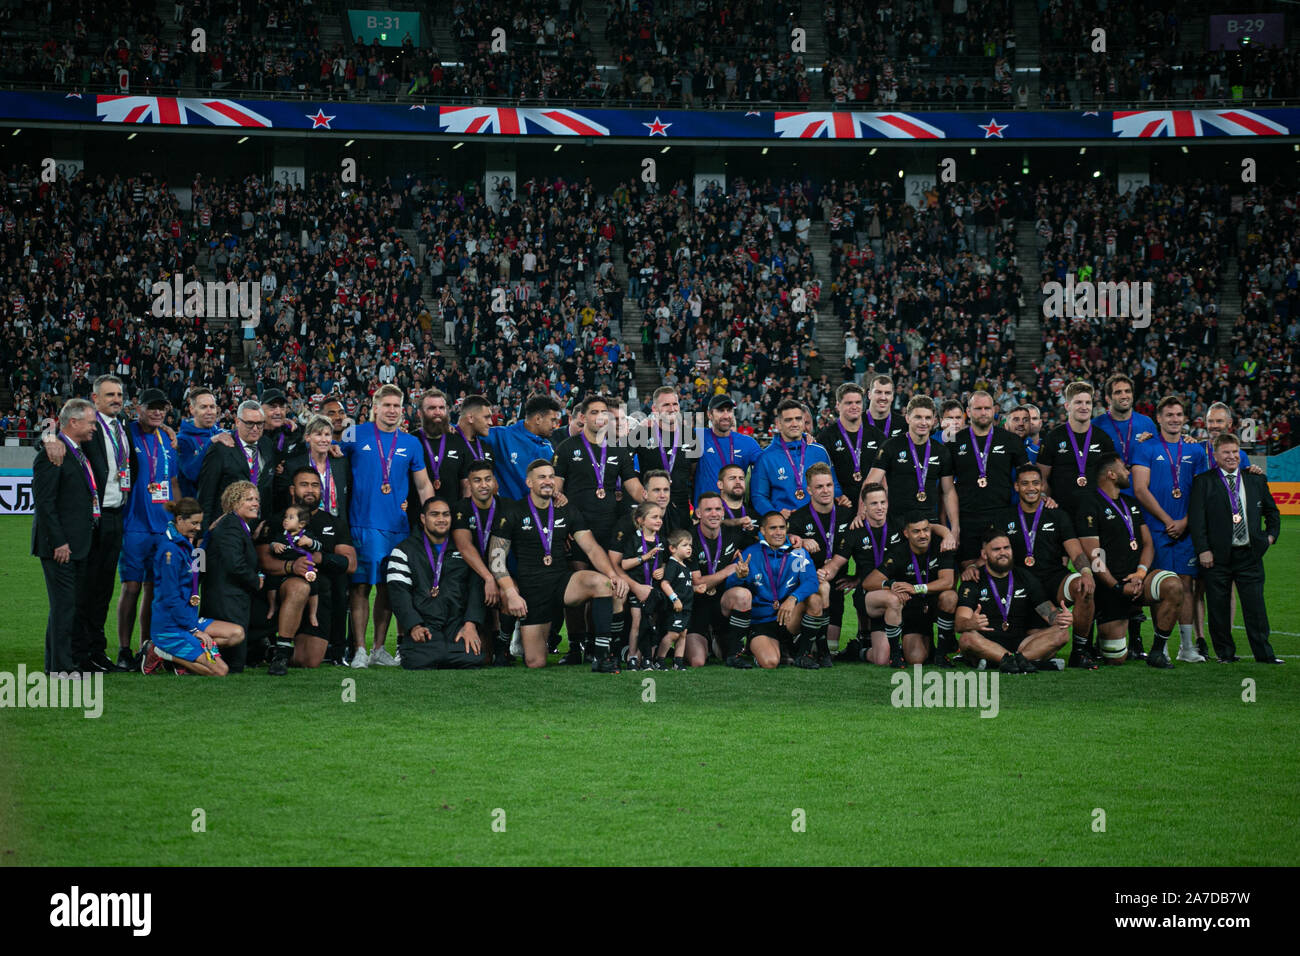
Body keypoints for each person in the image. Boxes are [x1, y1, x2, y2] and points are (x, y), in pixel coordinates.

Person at [487, 459, 628, 671]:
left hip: (561, 582)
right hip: (531, 589)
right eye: (541, 477)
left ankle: (602, 656)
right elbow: (496, 560)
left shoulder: (566, 510)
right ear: (529, 483)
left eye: (551, 476)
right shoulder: (514, 511)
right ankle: (506, 641)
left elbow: (591, 548)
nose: (548, 481)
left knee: (604, 584)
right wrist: (511, 592)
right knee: (536, 662)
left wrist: (612, 574)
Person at [339, 384, 436, 668]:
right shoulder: (354, 433)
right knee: (359, 588)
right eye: (387, 405)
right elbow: (330, 455)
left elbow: (423, 484)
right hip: (361, 523)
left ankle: (378, 649)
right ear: (376, 406)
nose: (392, 411)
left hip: (397, 526)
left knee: (388, 587)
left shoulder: (411, 443)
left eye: (397, 406)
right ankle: (357, 649)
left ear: (403, 409)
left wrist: (430, 517)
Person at [42, 375, 128, 672]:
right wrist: (49, 437)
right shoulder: (82, 428)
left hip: (116, 516)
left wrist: (167, 428)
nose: (116, 399)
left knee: (102, 591)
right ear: (95, 398)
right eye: (110, 395)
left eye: (119, 394)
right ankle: (73, 656)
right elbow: (52, 423)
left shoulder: (123, 426)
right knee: (79, 595)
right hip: (92, 521)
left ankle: (94, 651)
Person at [555, 394, 647, 663]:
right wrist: (562, 528)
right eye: (593, 412)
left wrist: (653, 501)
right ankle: (574, 648)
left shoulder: (619, 450)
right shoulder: (566, 447)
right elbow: (556, 492)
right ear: (582, 417)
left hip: (607, 532)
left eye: (603, 412)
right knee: (577, 592)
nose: (599, 417)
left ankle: (599, 647)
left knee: (606, 589)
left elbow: (633, 487)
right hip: (576, 531)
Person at [1077, 453, 1185, 668]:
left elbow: (1147, 544)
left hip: (1138, 581)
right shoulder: (1090, 504)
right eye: (1123, 469)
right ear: (1111, 474)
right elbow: (1094, 556)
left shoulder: (1131, 503)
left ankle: (1156, 652)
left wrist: (1141, 573)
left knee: (1173, 584)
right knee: (1116, 658)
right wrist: (1117, 587)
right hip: (1110, 587)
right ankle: (1103, 634)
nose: (1128, 472)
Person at [988, 465, 1097, 668]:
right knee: (1038, 638)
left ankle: (1080, 651)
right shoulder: (1005, 517)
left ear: (1042, 486)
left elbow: (1075, 551)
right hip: (1021, 586)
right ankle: (1018, 658)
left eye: (1036, 483)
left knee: (1083, 587)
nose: (1031, 488)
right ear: (1016, 487)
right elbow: (992, 553)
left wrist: (1086, 572)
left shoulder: (1057, 515)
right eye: (1025, 483)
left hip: (1054, 580)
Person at [1189, 433, 1282, 664]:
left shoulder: (1255, 479)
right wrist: (1203, 549)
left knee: (1256, 608)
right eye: (1226, 452)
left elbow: (1272, 512)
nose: (1231, 457)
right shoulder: (1204, 481)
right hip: (1217, 557)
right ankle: (1225, 654)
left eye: (1235, 452)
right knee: (1218, 608)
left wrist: (1269, 537)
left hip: (1249, 555)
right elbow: (1197, 520)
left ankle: (1265, 654)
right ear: (1215, 455)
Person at [1131, 395, 1209, 662]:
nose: (1174, 419)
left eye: (1178, 415)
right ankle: (1161, 645)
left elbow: (1201, 492)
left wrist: (1185, 521)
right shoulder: (1146, 448)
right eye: (1169, 415)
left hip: (1186, 529)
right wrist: (1167, 520)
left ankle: (1187, 648)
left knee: (1186, 585)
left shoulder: (1196, 451)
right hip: (1156, 528)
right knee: (1161, 586)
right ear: (1159, 419)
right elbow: (1140, 489)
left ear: (1184, 419)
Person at [140, 498, 245, 676]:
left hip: (187, 619)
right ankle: (159, 651)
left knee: (237, 633)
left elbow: (197, 565)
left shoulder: (184, 543)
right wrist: (194, 631)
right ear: (180, 519)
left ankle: (187, 657)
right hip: (170, 627)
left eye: (200, 523)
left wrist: (210, 534)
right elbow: (171, 598)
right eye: (194, 523)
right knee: (221, 671)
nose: (198, 528)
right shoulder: (170, 551)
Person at [32, 399, 99, 675]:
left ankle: (59, 663)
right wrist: (58, 541)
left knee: (67, 606)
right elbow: (45, 503)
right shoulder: (53, 453)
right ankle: (60, 667)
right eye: (91, 422)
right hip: (60, 547)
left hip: (78, 544)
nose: (94, 427)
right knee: (64, 607)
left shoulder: (78, 451)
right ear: (74, 422)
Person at [271, 466, 357, 670]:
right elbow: (263, 559)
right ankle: (280, 651)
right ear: (292, 490)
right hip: (286, 586)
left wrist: (320, 558)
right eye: (304, 485)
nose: (310, 490)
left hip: (322, 598)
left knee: (309, 661)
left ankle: (271, 651)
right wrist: (291, 566)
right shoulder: (278, 520)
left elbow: (350, 564)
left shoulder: (334, 523)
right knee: (299, 586)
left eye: (315, 485)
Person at [117, 388, 180, 667]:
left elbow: (174, 481)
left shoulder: (167, 439)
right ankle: (123, 649)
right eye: (151, 407)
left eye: (162, 409)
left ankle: (147, 648)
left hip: (162, 525)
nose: (157, 412)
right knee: (131, 587)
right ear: (137, 408)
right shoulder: (125, 433)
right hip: (134, 525)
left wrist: (180, 517)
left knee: (153, 589)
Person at [955, 528, 1073, 673]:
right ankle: (1026, 662)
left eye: (1006, 548)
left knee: (1062, 632)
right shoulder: (973, 581)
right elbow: (959, 624)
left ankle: (1008, 661)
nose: (1003, 553)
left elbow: (1048, 613)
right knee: (966, 639)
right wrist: (970, 623)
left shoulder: (1024, 577)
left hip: (1022, 644)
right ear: (984, 554)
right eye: (996, 549)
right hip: (987, 643)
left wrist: (1061, 618)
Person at [388, 497, 487, 669]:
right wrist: (414, 625)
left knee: (474, 657)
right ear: (423, 519)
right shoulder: (403, 550)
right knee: (416, 660)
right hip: (425, 625)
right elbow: (399, 594)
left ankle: (441, 653)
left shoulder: (465, 551)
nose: (441, 519)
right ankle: (439, 652)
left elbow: (476, 589)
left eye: (446, 515)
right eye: (434, 514)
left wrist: (471, 624)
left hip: (456, 624)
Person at [726, 511, 820, 669]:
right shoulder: (751, 553)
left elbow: (812, 581)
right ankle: (755, 648)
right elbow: (729, 589)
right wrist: (739, 577)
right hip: (762, 621)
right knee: (770, 663)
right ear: (763, 531)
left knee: (815, 599)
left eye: (782, 528)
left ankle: (803, 655)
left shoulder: (797, 553)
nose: (778, 532)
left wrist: (793, 598)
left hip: (788, 616)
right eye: (773, 528)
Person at [862, 512, 958, 666]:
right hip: (911, 609)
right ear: (906, 533)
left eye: (926, 530)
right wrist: (891, 584)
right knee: (916, 659)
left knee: (950, 597)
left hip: (933, 603)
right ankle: (925, 648)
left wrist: (916, 588)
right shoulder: (899, 552)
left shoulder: (940, 545)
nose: (923, 535)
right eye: (916, 531)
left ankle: (942, 654)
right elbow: (869, 582)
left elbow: (947, 582)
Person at [949, 389, 1026, 570]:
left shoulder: (1011, 440)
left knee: (1002, 567)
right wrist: (954, 526)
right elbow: (946, 488)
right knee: (969, 570)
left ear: (994, 410)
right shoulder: (954, 441)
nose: (983, 413)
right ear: (968, 412)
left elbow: (1027, 477)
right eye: (978, 408)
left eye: (987, 408)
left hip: (1001, 515)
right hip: (968, 517)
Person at [786, 462, 854, 665]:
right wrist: (799, 541)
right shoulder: (798, 518)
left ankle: (818, 648)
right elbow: (789, 558)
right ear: (809, 490)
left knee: (833, 648)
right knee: (819, 646)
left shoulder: (847, 515)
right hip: (808, 585)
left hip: (838, 583)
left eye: (829, 485)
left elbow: (859, 549)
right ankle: (808, 649)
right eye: (819, 487)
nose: (825, 491)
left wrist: (857, 577)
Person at [864, 395, 958, 536]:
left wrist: (955, 527)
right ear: (907, 418)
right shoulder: (891, 446)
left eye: (927, 418)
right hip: (897, 521)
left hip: (929, 523)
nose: (923, 422)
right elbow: (871, 482)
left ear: (934, 420)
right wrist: (862, 512)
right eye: (918, 417)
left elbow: (948, 491)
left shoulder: (941, 451)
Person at [199, 481, 264, 673]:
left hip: (230, 597)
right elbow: (234, 564)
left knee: (235, 663)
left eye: (257, 499)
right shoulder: (230, 527)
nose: (256, 503)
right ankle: (181, 656)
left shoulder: (235, 524)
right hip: (226, 600)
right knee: (234, 664)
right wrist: (256, 580)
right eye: (249, 499)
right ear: (234, 503)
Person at [684, 492, 752, 668]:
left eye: (717, 509)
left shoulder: (734, 535)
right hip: (696, 605)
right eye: (708, 510)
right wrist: (728, 571)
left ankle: (733, 651)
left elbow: (761, 547)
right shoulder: (688, 539)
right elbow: (697, 582)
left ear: (723, 512)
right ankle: (704, 638)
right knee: (697, 661)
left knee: (743, 595)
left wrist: (744, 571)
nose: (713, 514)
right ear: (698, 513)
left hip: (722, 604)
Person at [1038, 382, 1115, 517]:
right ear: (1067, 406)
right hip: (1061, 510)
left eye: (1088, 402)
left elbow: (1110, 478)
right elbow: (1042, 478)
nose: (1084, 407)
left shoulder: (1103, 438)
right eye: (1078, 402)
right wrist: (1046, 500)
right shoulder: (1053, 437)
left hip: (1095, 511)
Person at [751, 398, 838, 516]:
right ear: (779, 424)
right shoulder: (765, 458)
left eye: (798, 419)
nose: (794, 424)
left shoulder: (819, 451)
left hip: (819, 521)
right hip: (785, 524)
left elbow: (834, 485)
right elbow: (759, 496)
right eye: (788, 420)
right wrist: (774, 513)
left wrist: (839, 499)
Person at [609, 501, 668, 669]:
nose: (659, 520)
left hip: (654, 590)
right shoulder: (633, 539)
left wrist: (662, 570)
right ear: (641, 520)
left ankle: (646, 657)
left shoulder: (661, 540)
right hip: (639, 589)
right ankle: (632, 656)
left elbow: (664, 562)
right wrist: (645, 557)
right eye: (654, 517)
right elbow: (624, 565)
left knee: (651, 624)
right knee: (637, 622)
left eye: (660, 517)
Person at [197, 399, 273, 528]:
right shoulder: (220, 449)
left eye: (259, 424)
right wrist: (203, 531)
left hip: (259, 527)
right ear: (237, 422)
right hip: (228, 526)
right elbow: (207, 493)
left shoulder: (267, 444)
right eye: (249, 423)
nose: (255, 428)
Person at [816, 382, 884, 509]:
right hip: (840, 504)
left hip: (872, 506)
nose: (854, 406)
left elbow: (885, 473)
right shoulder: (826, 437)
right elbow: (821, 474)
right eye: (848, 403)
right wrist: (837, 495)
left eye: (858, 402)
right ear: (838, 405)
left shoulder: (877, 436)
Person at [486, 393, 561, 501]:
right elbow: (467, 432)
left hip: (536, 513)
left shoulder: (547, 448)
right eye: (552, 420)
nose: (555, 426)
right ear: (538, 419)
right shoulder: (502, 436)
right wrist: (453, 428)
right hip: (507, 512)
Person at [280, 415, 351, 522]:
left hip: (337, 526)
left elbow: (347, 498)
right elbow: (285, 501)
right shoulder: (293, 466)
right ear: (308, 437)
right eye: (318, 434)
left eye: (327, 435)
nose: (323, 439)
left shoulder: (341, 463)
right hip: (305, 525)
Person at [694, 393, 763, 504]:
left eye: (729, 410)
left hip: (734, 512)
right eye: (721, 410)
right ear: (709, 414)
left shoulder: (748, 443)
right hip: (705, 513)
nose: (726, 416)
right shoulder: (696, 435)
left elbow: (768, 465)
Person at [644, 528, 694, 670]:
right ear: (672, 548)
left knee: (683, 634)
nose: (689, 548)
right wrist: (674, 599)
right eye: (684, 545)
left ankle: (678, 662)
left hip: (687, 607)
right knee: (672, 634)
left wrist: (697, 588)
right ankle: (659, 660)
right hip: (676, 606)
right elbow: (665, 583)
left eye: (690, 545)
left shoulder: (685, 566)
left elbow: (684, 585)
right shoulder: (673, 564)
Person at [267, 504, 321, 628]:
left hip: (303, 568)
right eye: (285, 517)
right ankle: (272, 606)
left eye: (290, 518)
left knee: (314, 584)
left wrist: (310, 542)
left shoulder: (307, 535)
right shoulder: (282, 535)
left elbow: (319, 547)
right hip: (284, 568)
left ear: (301, 524)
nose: (285, 520)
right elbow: (271, 544)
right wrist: (275, 545)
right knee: (271, 582)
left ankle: (313, 613)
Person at [1092, 373, 1157, 467]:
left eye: (1127, 391)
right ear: (1108, 399)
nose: (1124, 396)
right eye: (1118, 392)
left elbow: (1158, 457)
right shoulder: (1095, 425)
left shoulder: (1147, 423)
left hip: (1140, 480)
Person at [177, 387, 228, 498]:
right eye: (203, 407)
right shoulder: (182, 440)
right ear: (192, 409)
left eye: (212, 407)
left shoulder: (222, 434)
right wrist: (210, 443)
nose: (209, 411)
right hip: (196, 508)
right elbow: (191, 473)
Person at [717, 463, 759, 544]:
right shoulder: (710, 512)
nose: (738, 482)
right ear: (720, 484)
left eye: (741, 478)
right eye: (732, 478)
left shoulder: (754, 514)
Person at [864, 374, 905, 438]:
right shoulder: (857, 422)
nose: (883, 397)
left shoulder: (904, 424)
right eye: (878, 392)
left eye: (887, 393)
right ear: (869, 394)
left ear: (892, 396)